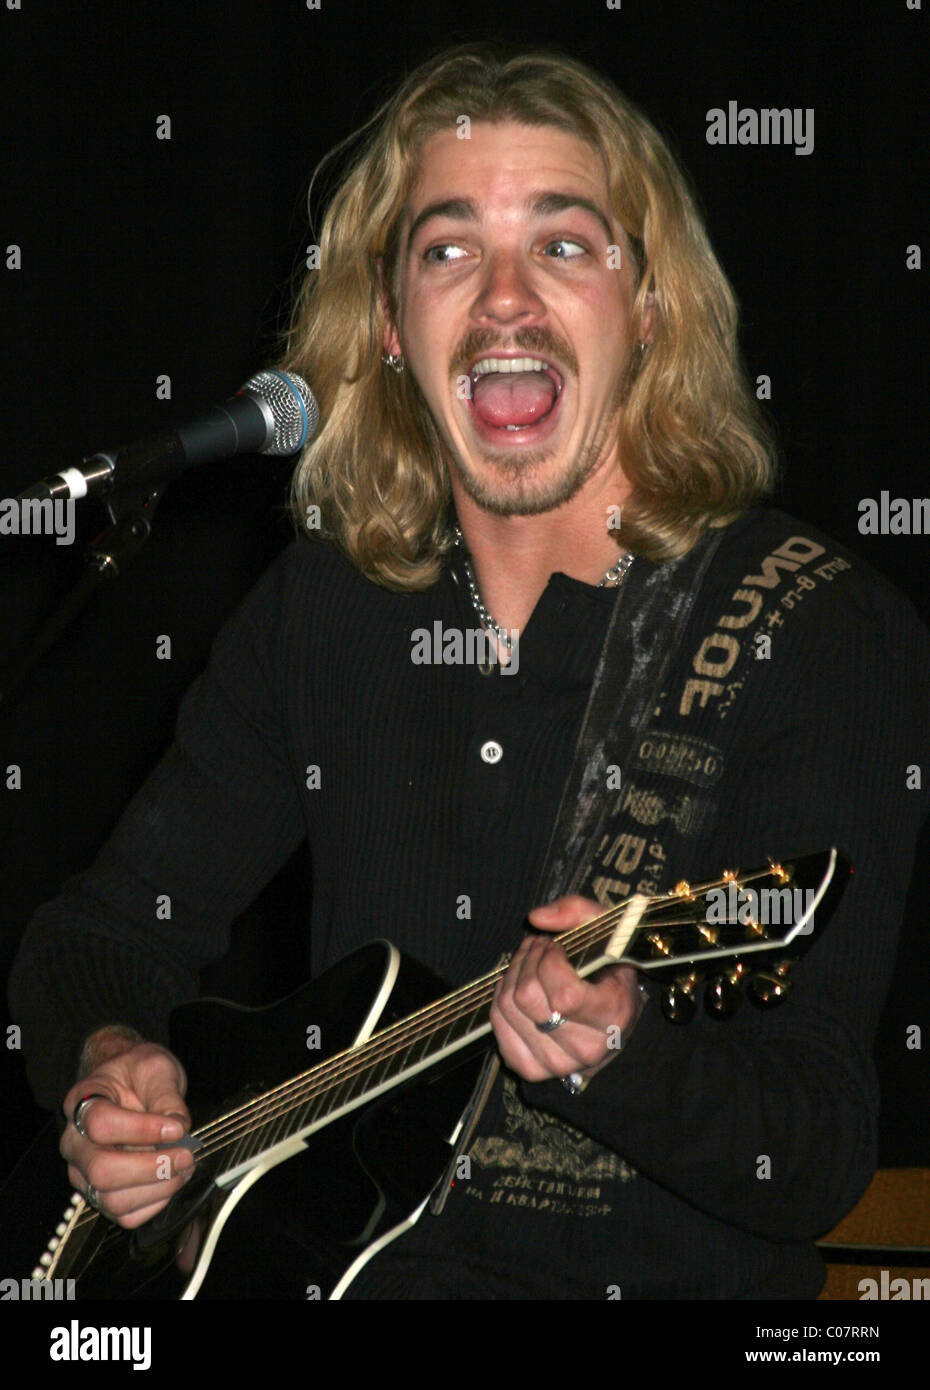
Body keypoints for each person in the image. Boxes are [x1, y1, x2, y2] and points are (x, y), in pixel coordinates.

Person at [9, 43, 930, 1300]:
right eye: (448, 250)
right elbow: (99, 934)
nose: (503, 299)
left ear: (649, 306)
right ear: (388, 325)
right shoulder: (323, 610)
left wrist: (626, 1051)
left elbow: (816, 1148)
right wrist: (109, 1064)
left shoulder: (813, 629)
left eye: (562, 245)